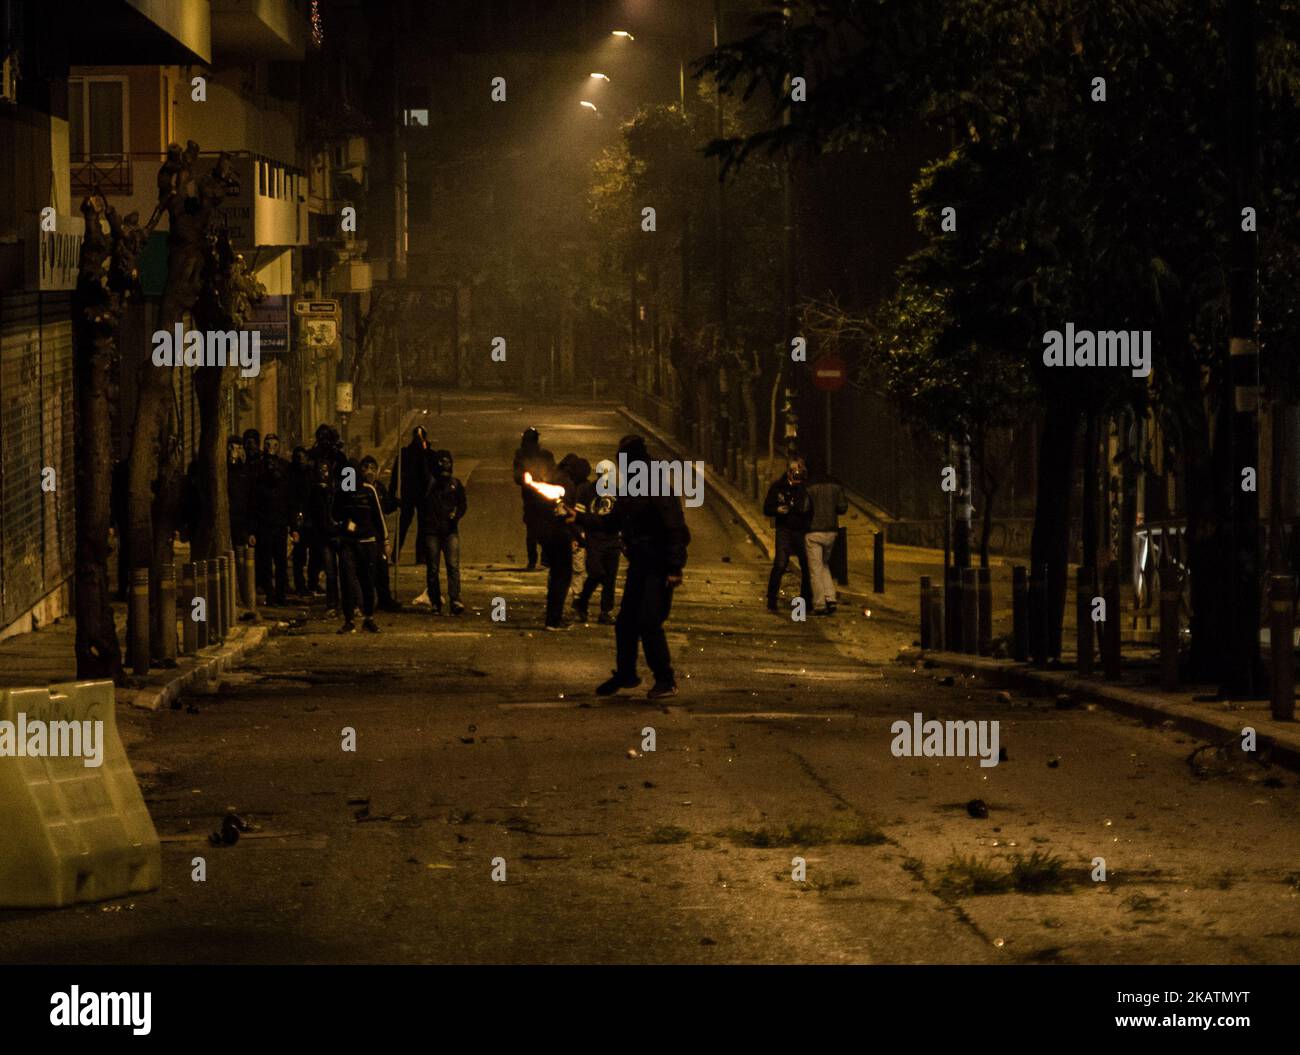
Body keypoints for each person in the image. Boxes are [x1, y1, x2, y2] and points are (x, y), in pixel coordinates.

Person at [596, 435, 690, 699]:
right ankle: (627, 673)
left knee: (649, 621)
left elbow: (675, 528)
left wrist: (674, 567)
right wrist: (578, 517)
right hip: (640, 565)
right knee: (626, 622)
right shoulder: (633, 486)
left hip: (658, 565)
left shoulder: (655, 485)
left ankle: (665, 679)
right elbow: (614, 521)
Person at [336, 455, 387, 634]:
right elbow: (336, 514)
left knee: (367, 581)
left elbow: (378, 517)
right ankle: (349, 618)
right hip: (348, 543)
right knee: (348, 580)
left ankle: (369, 618)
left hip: (367, 543)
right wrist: (346, 525)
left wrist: (384, 540)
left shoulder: (369, 491)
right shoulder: (342, 492)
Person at [417, 448, 468, 615]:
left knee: (452, 566)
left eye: (448, 462)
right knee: (433, 567)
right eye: (442, 462)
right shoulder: (429, 485)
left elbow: (462, 504)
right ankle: (435, 600)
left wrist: (456, 514)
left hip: (449, 530)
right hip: (432, 531)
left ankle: (455, 599)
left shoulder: (455, 485)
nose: (445, 466)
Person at [572, 458, 619, 624]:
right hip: (594, 539)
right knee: (597, 573)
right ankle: (582, 603)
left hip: (612, 540)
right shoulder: (587, 491)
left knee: (610, 578)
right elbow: (578, 516)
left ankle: (605, 611)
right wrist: (579, 534)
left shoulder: (617, 493)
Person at [538, 453, 582, 630]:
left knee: (556, 577)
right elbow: (566, 512)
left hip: (548, 532)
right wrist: (575, 536)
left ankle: (553, 617)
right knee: (562, 578)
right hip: (560, 534)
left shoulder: (552, 478)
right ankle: (554, 619)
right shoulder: (567, 483)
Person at [763, 456, 811, 613]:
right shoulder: (778, 487)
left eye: (800, 471)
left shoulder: (805, 488)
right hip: (784, 529)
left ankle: (805, 601)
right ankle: (771, 598)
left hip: (800, 530)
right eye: (795, 471)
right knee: (780, 563)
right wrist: (777, 510)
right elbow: (767, 507)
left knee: (806, 565)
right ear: (789, 472)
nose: (798, 475)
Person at [803, 457, 848, 616]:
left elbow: (804, 509)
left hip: (813, 531)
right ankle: (831, 597)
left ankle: (820, 603)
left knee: (815, 569)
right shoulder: (836, 484)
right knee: (824, 564)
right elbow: (842, 507)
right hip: (831, 531)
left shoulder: (808, 486)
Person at [253, 433, 291, 605]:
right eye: (268, 444)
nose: (271, 448)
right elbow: (253, 497)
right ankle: (270, 594)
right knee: (266, 562)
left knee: (281, 561)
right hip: (264, 522)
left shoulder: (284, 466)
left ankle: (281, 594)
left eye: (274, 444)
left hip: (280, 522)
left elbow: (289, 494)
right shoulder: (259, 467)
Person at [511, 427, 553, 570]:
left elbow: (517, 478)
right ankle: (541, 559)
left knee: (534, 530)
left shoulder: (523, 456)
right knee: (541, 528)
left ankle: (535, 560)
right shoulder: (542, 455)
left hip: (535, 496)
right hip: (538, 496)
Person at [306, 458, 341, 614]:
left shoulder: (334, 489)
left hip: (335, 534)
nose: (323, 473)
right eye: (321, 470)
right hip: (324, 536)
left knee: (341, 570)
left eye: (325, 470)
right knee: (330, 571)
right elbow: (318, 515)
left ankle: (343, 602)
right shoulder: (315, 491)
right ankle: (332, 603)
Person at [287, 446, 314, 597]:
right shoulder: (292, 476)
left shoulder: (310, 474)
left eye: (303, 458)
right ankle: (300, 584)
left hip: (310, 518)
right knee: (299, 555)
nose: (301, 461)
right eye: (298, 458)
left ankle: (310, 583)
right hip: (299, 518)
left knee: (311, 554)